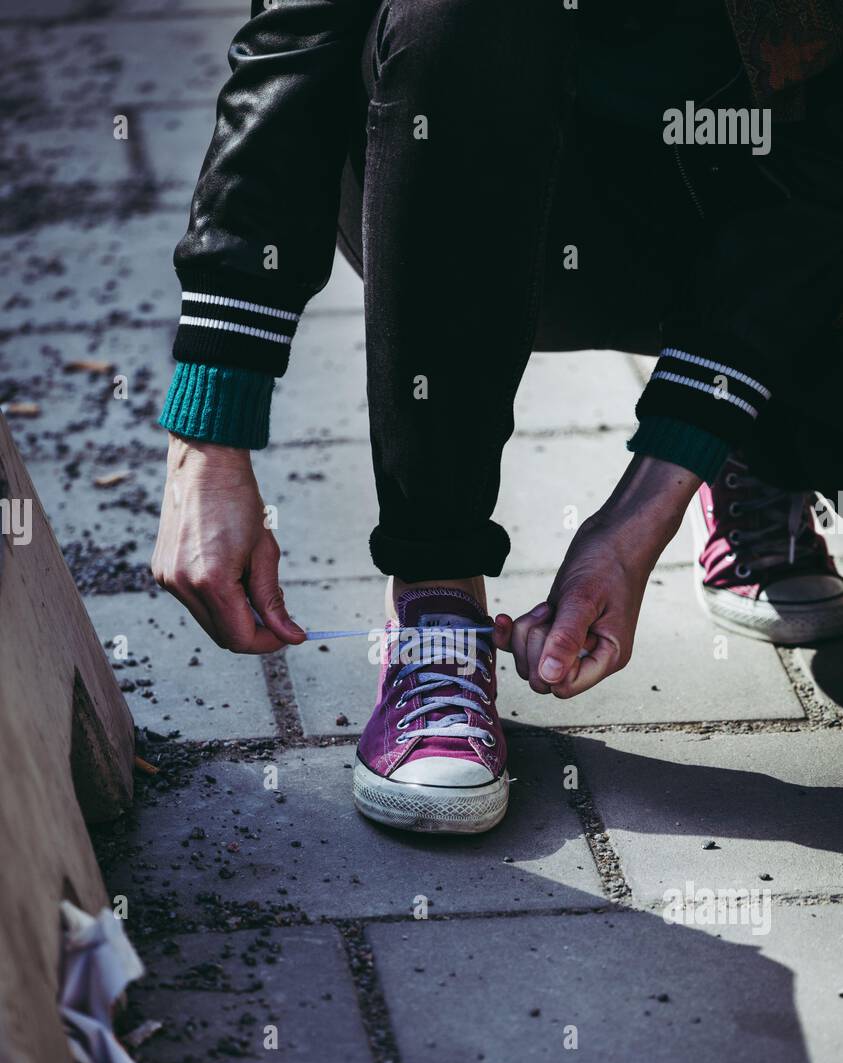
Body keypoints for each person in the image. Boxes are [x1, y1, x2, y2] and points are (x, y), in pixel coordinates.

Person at [153, 0, 843, 834]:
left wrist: (644, 509)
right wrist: (210, 435)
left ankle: (748, 437)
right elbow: (291, 45)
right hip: (453, 166)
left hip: (733, 189)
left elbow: (818, 175)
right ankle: (435, 595)